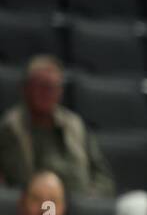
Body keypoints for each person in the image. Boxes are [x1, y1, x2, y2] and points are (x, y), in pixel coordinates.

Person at [0, 56, 114, 196]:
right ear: (26, 89)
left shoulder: (75, 124)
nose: (48, 92)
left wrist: (90, 200)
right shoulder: (11, 127)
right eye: (42, 86)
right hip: (35, 206)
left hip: (78, 204)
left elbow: (103, 176)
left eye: (54, 87)